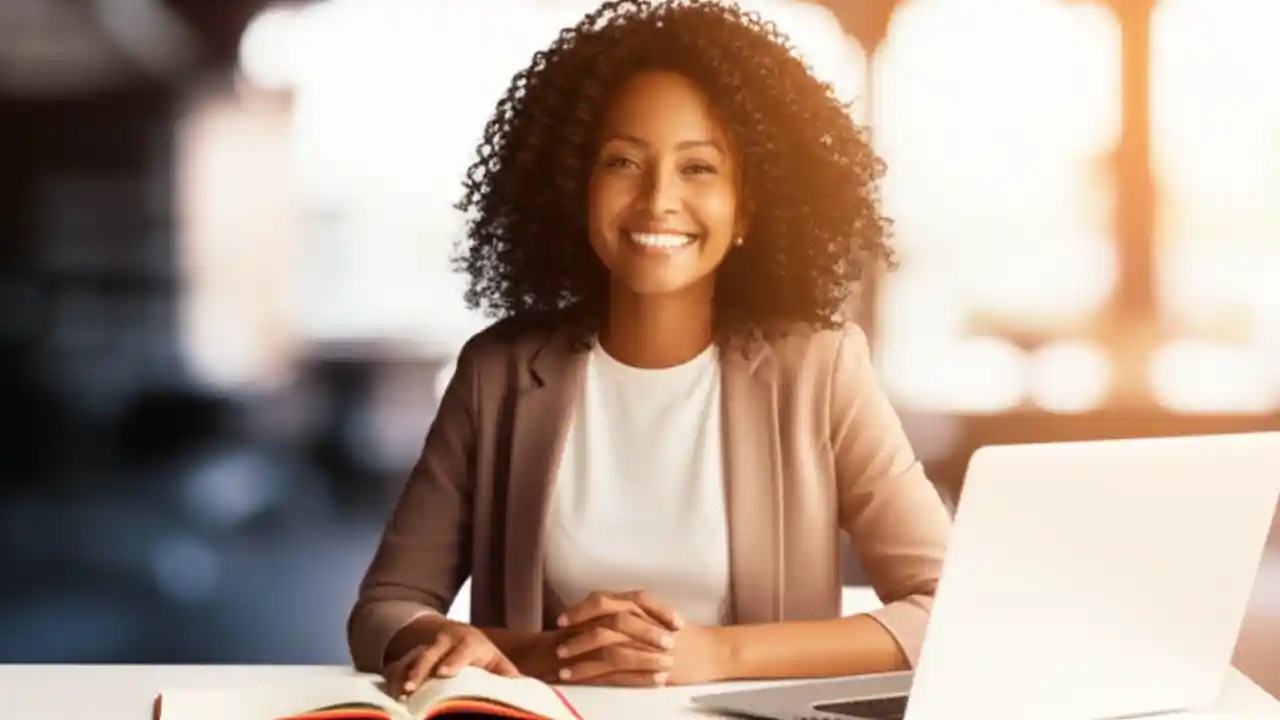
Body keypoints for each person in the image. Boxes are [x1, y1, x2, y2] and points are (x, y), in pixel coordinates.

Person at [348, 0, 951, 695]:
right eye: (624, 161)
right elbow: (384, 611)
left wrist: (714, 656)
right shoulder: (499, 373)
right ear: (577, 186)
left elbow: (947, 608)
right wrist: (520, 652)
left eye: (699, 168)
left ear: (748, 207)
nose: (658, 198)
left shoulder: (820, 369)